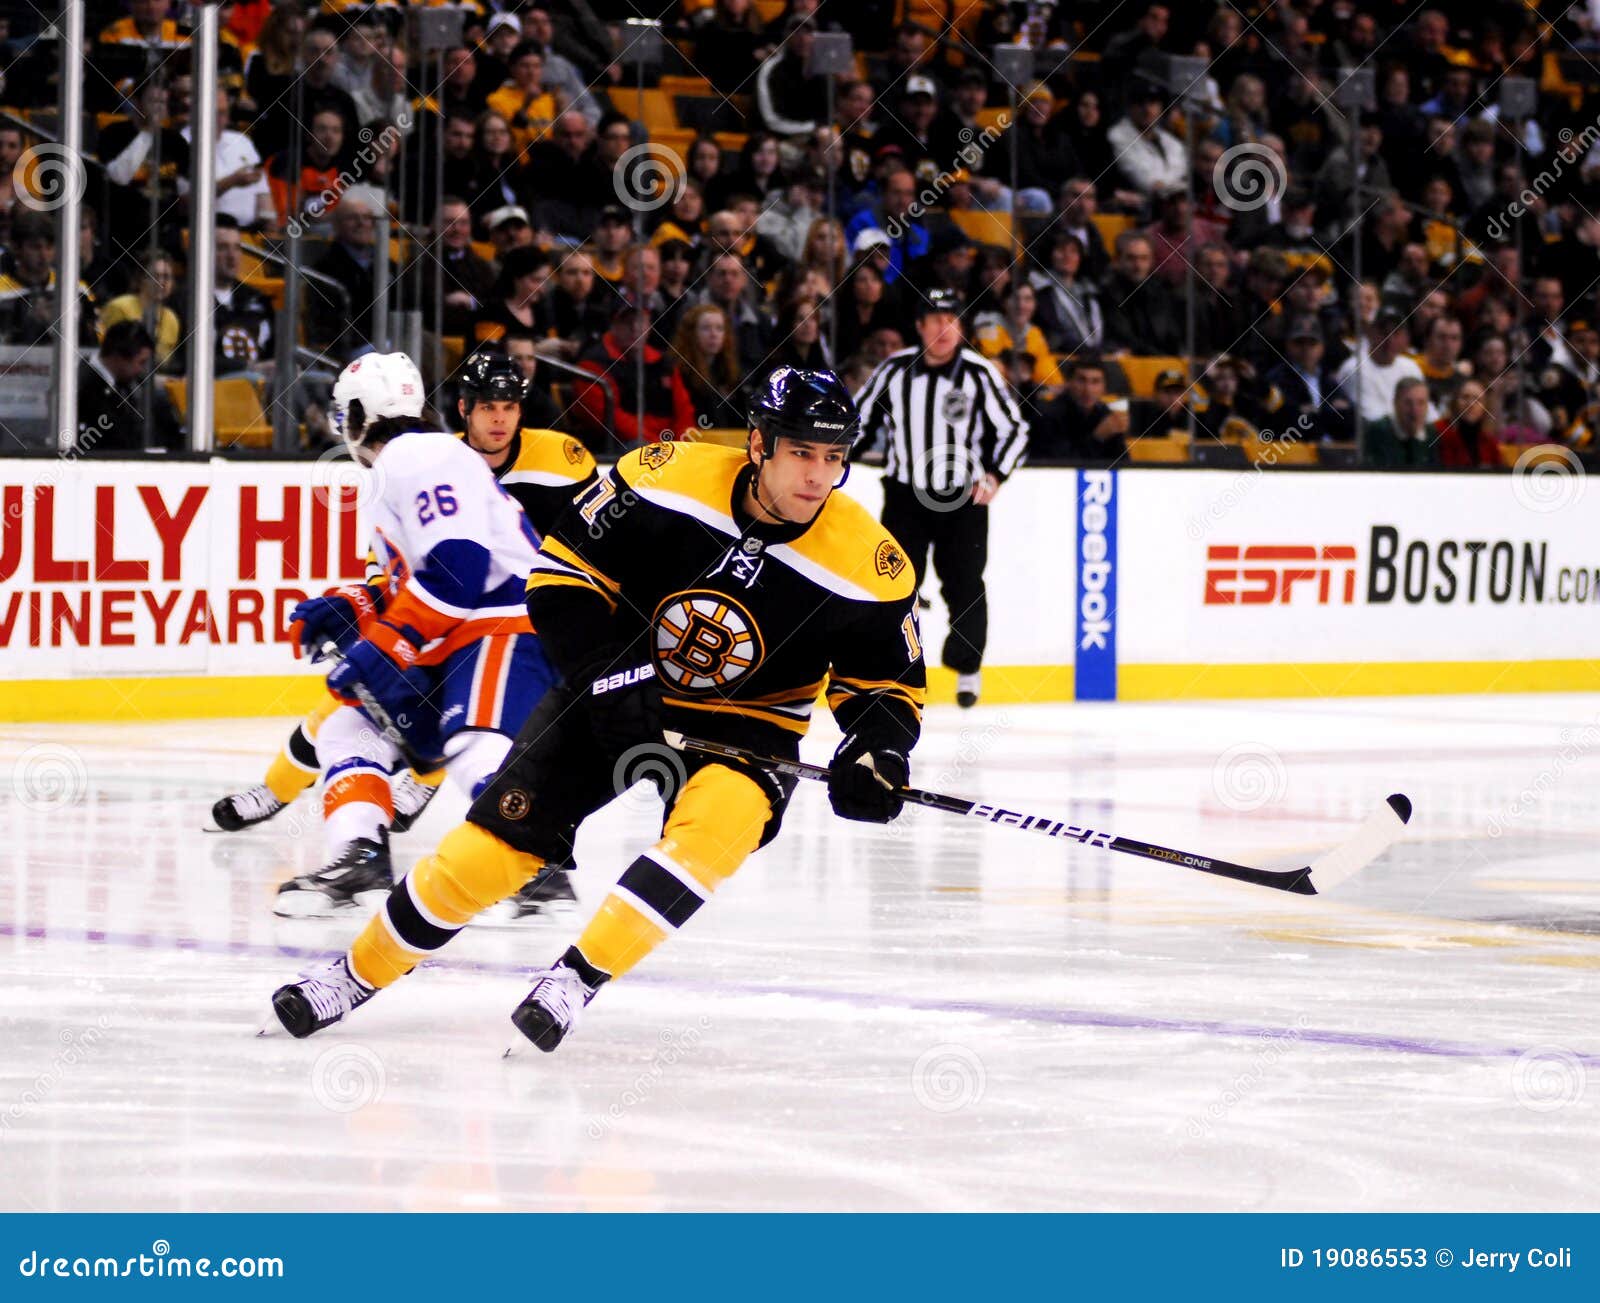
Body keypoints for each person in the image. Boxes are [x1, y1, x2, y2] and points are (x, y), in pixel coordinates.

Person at [266, 368, 926, 1049]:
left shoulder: (872, 566)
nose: (818, 475)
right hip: (614, 682)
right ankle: (355, 973)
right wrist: (609, 673)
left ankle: (576, 978)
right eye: (802, 452)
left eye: (834, 456)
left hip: (747, 727)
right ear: (759, 444)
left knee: (718, 827)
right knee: (486, 855)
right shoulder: (661, 478)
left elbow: (886, 688)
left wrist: (877, 750)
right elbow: (560, 577)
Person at [264, 353, 568, 919]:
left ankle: (539, 868)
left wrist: (386, 646)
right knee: (349, 728)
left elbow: (458, 570)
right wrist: (354, 604)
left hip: (506, 622)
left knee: (472, 742)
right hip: (466, 627)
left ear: (359, 415)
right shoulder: (409, 462)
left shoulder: (418, 456)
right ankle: (360, 857)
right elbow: (422, 578)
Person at [854, 289, 1028, 709]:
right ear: (919, 327)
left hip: (961, 499)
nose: (943, 328)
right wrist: (834, 458)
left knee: (965, 582)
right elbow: (859, 420)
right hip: (905, 495)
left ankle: (967, 667)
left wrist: (996, 474)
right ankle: (891, 669)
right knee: (895, 580)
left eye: (951, 319)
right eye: (934, 319)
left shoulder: (979, 373)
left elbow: (1014, 429)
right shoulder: (895, 369)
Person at [1365, 375, 1440, 468]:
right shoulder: (1378, 432)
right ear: (1395, 403)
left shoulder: (1432, 433)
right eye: (1408, 403)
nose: (1415, 410)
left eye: (1421, 403)